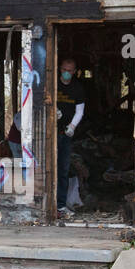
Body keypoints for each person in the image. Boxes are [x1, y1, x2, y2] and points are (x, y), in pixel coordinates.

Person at [55, 57, 87, 218]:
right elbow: (41, 100)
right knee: (47, 169)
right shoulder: (53, 83)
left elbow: (80, 111)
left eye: (69, 71)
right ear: (60, 69)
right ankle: (46, 204)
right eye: (64, 70)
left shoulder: (77, 88)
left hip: (66, 134)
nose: (66, 73)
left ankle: (60, 205)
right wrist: (53, 112)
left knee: (63, 169)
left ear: (74, 72)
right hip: (50, 134)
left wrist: (73, 126)